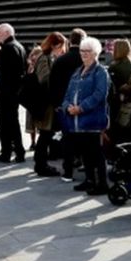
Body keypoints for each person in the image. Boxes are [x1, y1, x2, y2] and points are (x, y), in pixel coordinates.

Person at [60, 37, 111, 194]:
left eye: (87, 51)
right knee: (85, 153)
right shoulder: (77, 72)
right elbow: (67, 94)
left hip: (92, 121)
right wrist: (67, 107)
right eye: (82, 51)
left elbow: (100, 94)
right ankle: (89, 180)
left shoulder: (100, 72)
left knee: (96, 153)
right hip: (77, 122)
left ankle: (102, 184)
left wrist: (81, 108)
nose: (83, 54)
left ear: (95, 53)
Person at [51, 29, 85, 181]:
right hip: (83, 105)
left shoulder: (60, 61)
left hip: (64, 105)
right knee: (85, 137)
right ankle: (85, 166)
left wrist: (56, 104)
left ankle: (68, 171)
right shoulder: (86, 60)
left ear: (70, 41)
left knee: (68, 138)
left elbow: (53, 84)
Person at [31, 32, 66, 177]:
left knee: (46, 134)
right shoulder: (44, 58)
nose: (62, 50)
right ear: (55, 45)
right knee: (45, 134)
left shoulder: (48, 57)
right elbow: (44, 79)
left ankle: (40, 163)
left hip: (47, 103)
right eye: (61, 46)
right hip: (45, 104)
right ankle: (41, 165)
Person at [0, 23, 28, 163]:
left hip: (7, 92)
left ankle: (6, 152)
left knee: (5, 124)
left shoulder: (7, 48)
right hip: (15, 91)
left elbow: (6, 73)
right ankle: (19, 151)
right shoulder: (19, 47)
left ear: (7, 33)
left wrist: (1, 89)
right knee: (13, 123)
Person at [106, 38, 131, 144]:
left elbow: (110, 88)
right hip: (130, 103)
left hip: (116, 104)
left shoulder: (114, 67)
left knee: (115, 132)